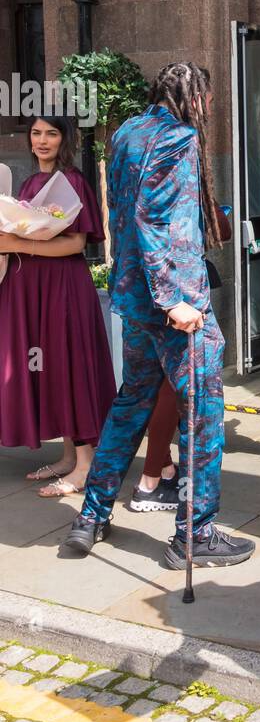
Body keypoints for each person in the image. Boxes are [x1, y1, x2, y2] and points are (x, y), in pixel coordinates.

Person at [62, 63, 255, 567]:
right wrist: (175, 299)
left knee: (131, 406)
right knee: (203, 416)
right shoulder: (178, 137)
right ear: (197, 98)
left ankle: (92, 516)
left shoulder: (129, 129)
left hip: (136, 298)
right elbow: (154, 217)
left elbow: (133, 209)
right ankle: (196, 532)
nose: (210, 108)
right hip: (174, 306)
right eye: (209, 99)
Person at [0, 114, 116, 495]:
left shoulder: (73, 181)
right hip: (32, 288)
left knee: (67, 366)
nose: (42, 140)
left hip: (63, 288)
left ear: (64, 139)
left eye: (51, 133)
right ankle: (68, 456)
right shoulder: (31, 181)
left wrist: (16, 244)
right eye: (36, 133)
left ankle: (85, 465)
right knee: (48, 368)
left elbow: (76, 245)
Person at [128, 204, 232, 512]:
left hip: (148, 295)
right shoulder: (174, 181)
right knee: (170, 392)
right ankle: (149, 483)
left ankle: (163, 471)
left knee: (155, 389)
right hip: (175, 296)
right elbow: (221, 230)